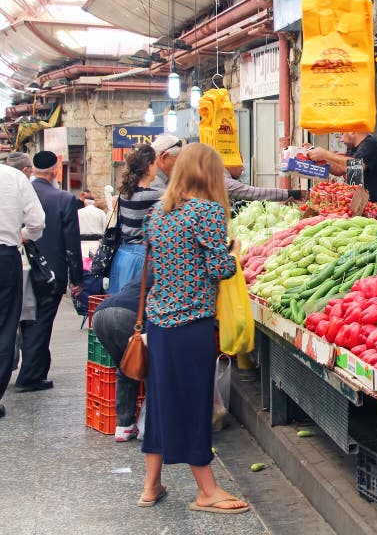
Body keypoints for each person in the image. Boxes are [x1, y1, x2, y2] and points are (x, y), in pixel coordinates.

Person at [139, 142, 249, 513]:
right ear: (209, 174)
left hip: (159, 323)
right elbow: (219, 268)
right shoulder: (207, 211)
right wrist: (234, 251)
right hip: (191, 323)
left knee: (161, 401)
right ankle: (207, 490)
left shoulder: (158, 212)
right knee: (194, 403)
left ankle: (151, 485)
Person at [17, 151, 83, 393]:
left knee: (25, 320)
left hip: (20, 266)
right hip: (51, 271)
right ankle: (30, 375)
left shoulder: (21, 193)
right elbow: (71, 243)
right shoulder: (63, 199)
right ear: (55, 171)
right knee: (42, 322)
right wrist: (77, 278)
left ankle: (36, 368)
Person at [0, 163, 45, 417]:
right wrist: (24, 235)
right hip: (5, 256)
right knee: (5, 326)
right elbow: (37, 222)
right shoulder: (14, 176)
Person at [92, 270, 153, 442]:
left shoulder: (147, 268)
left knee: (126, 368)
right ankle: (149, 427)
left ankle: (124, 426)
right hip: (129, 316)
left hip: (101, 314)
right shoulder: (170, 267)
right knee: (152, 370)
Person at [109, 145, 160, 294]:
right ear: (149, 167)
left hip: (122, 255)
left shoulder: (123, 194)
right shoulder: (154, 196)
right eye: (155, 163)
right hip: (142, 257)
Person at [306, 132, 377, 205]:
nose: (341, 139)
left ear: (352, 131)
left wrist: (325, 154)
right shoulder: (353, 148)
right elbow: (340, 170)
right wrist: (316, 159)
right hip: (367, 206)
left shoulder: (370, 145)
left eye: (342, 134)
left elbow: (355, 167)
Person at [224, 160, 302, 202]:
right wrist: (298, 194)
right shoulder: (224, 182)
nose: (243, 168)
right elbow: (255, 193)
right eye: (240, 163)